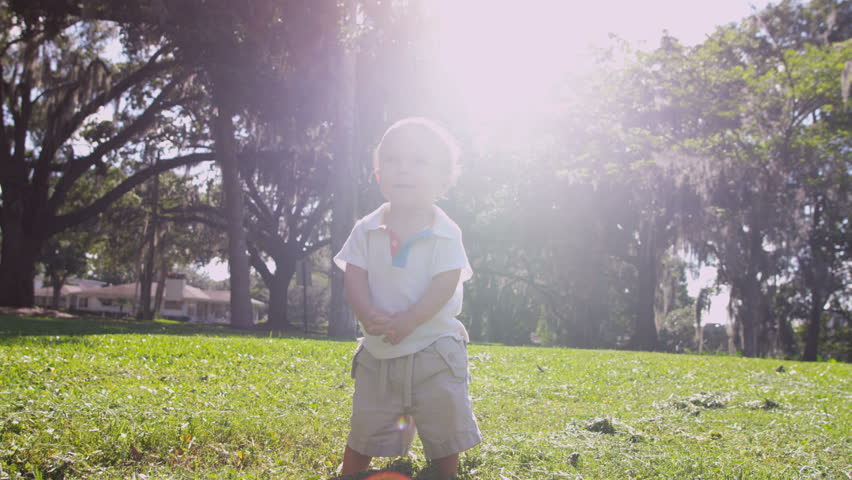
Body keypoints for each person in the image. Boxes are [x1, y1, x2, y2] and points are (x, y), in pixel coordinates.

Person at [334, 117, 481, 479]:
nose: (404, 169)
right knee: (368, 420)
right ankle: (350, 472)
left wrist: (411, 319)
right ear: (378, 173)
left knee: (442, 420)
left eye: (419, 161)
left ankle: (443, 471)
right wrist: (366, 312)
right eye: (394, 160)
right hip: (379, 347)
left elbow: (445, 282)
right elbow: (355, 275)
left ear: (443, 178)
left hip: (434, 347)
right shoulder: (366, 229)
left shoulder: (445, 232)